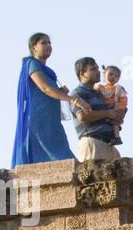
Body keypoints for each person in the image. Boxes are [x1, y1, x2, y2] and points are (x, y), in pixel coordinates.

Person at [12, 33, 88, 167]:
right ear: (33, 47)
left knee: (59, 147)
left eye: (49, 43)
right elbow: (45, 88)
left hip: (50, 118)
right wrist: (73, 100)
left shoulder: (49, 71)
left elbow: (50, 91)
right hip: (38, 118)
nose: (48, 45)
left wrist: (61, 92)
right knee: (55, 154)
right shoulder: (32, 64)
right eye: (43, 43)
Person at [71, 57, 125, 161]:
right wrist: (107, 113)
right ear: (82, 74)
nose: (98, 72)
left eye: (97, 68)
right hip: (92, 143)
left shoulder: (99, 93)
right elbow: (82, 116)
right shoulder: (77, 93)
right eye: (93, 69)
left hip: (108, 144)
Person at [95, 66, 129, 146]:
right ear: (104, 74)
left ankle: (117, 137)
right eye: (111, 74)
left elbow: (123, 99)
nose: (113, 77)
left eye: (116, 76)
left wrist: (120, 109)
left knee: (115, 123)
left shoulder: (118, 88)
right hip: (102, 110)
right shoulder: (100, 87)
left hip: (114, 109)